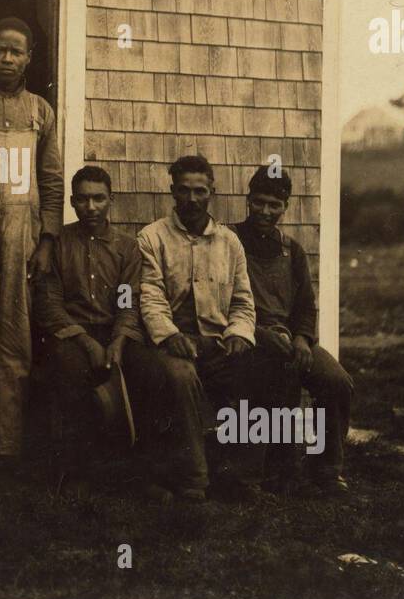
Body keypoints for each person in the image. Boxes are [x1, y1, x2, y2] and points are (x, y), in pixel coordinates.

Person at [35, 165, 207, 505]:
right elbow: (49, 303)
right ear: (72, 202)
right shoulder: (59, 245)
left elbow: (128, 301)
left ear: (111, 200)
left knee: (154, 373)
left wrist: (117, 341)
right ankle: (78, 474)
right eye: (83, 199)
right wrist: (85, 341)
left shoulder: (126, 248)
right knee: (70, 370)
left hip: (117, 333)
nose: (91, 207)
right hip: (73, 334)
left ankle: (146, 474)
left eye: (99, 199)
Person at [137, 155, 272, 500]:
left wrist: (239, 334)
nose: (192, 199)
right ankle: (194, 479)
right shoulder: (152, 238)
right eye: (184, 191)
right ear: (172, 192)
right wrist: (170, 335)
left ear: (212, 191)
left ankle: (243, 478)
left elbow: (243, 301)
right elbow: (150, 297)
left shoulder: (229, 243)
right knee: (181, 378)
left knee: (256, 369)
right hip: (173, 342)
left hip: (218, 342)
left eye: (200, 191)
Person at [0, 17, 64, 463]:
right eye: (1, 49)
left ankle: (11, 446)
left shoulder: (41, 111)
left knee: (16, 337)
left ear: (28, 58)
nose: (8, 58)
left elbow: (53, 180)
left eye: (16, 51)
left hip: (23, 229)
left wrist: (47, 241)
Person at [230, 165, 353, 495]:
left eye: (274, 205)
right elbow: (217, 302)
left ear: (285, 207)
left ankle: (326, 469)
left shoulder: (292, 250)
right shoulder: (229, 241)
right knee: (274, 372)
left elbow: (305, 306)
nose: (265, 212)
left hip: (290, 338)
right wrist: (257, 332)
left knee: (336, 381)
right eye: (258, 203)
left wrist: (302, 338)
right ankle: (277, 471)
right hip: (246, 335)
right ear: (247, 200)